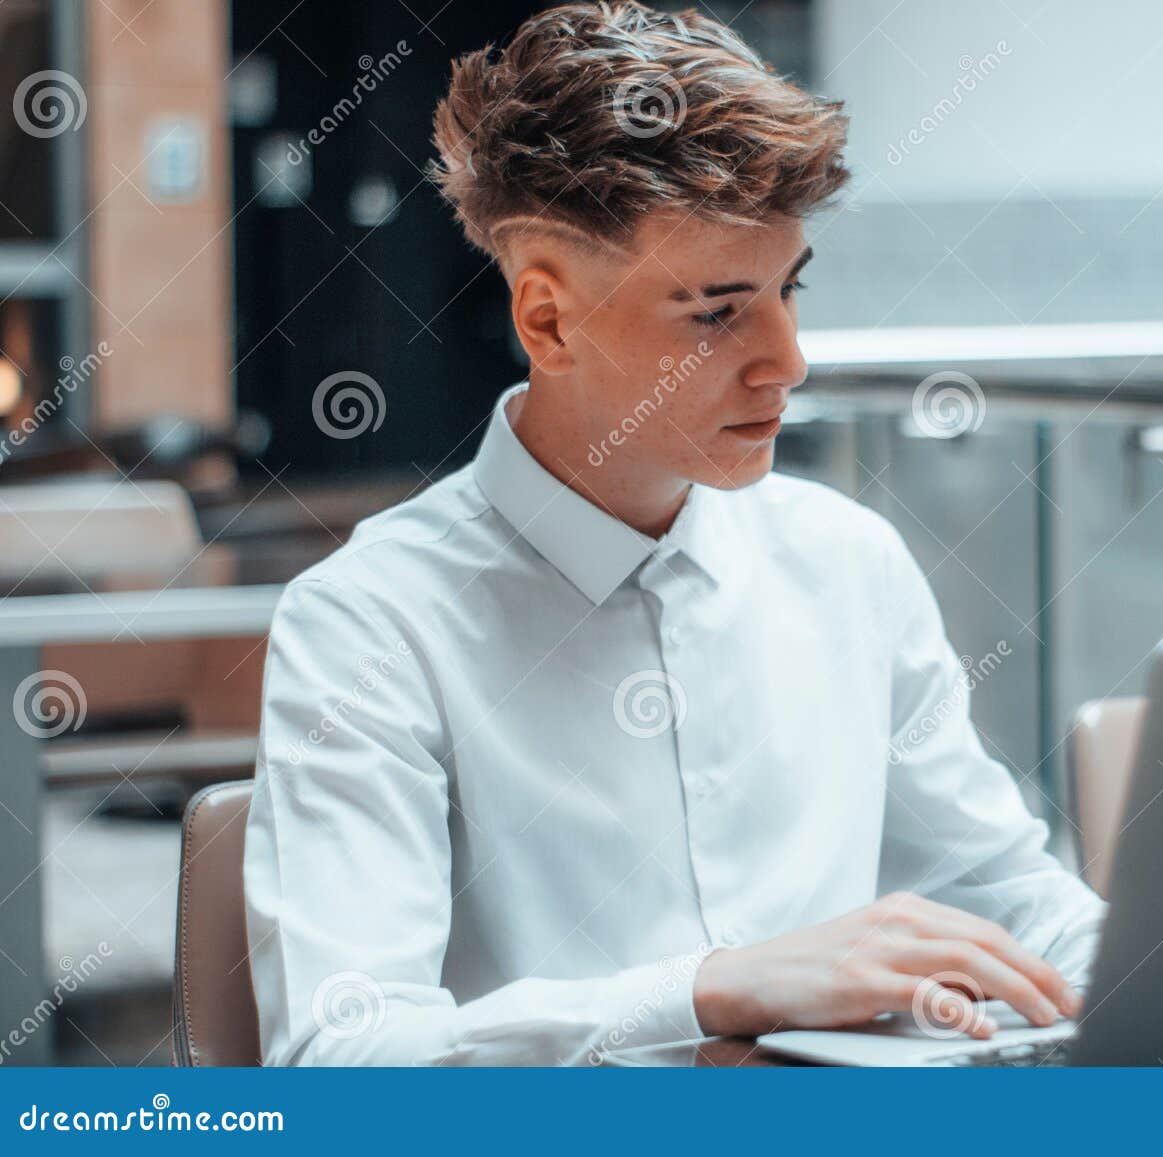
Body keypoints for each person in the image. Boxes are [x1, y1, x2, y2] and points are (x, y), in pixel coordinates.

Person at [243, 0, 1105, 1066]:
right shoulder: (369, 625)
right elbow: (340, 1065)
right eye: (717, 312)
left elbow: (1012, 900)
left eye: (789, 289)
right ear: (549, 321)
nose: (787, 362)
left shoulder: (849, 563)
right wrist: (709, 990)